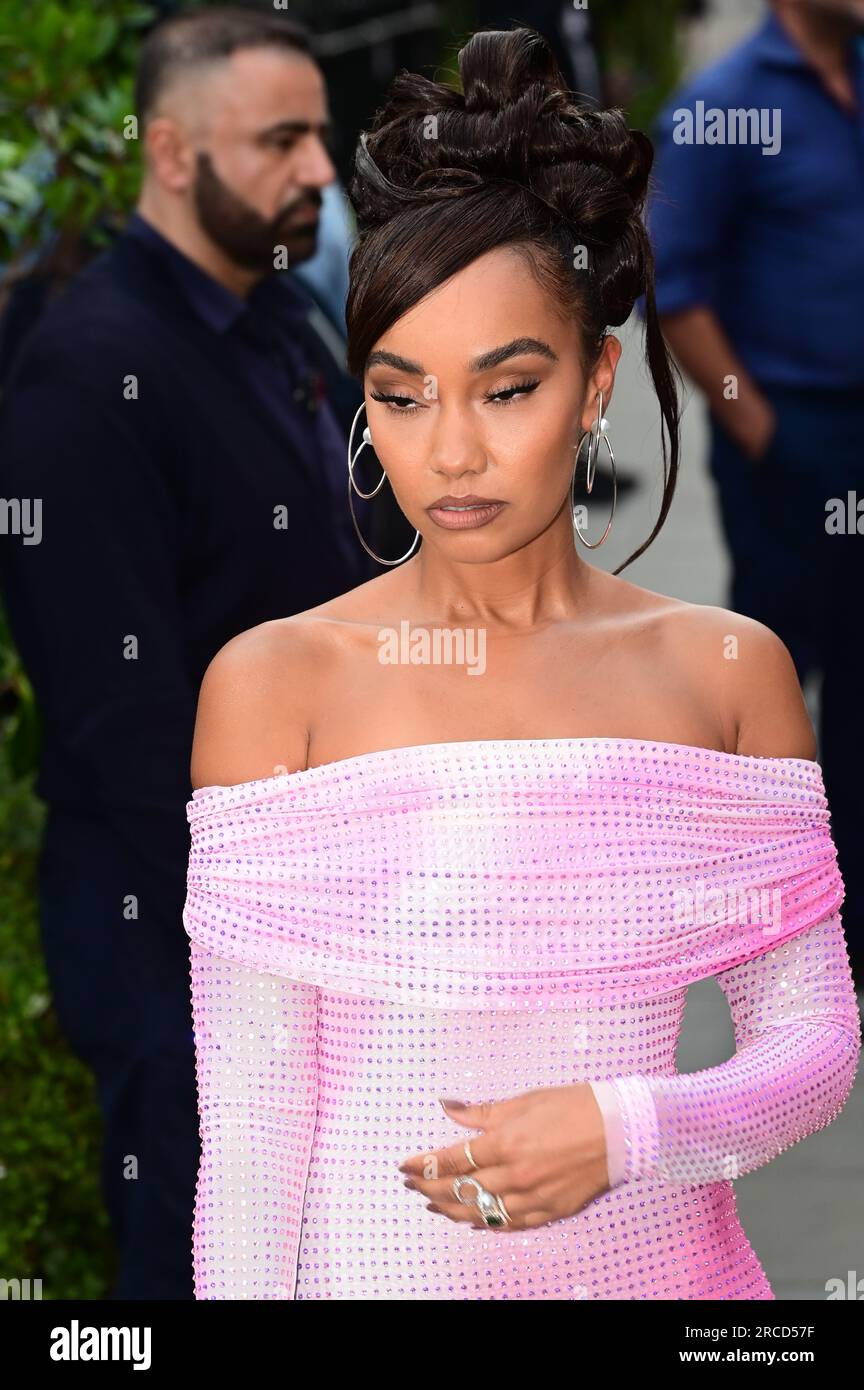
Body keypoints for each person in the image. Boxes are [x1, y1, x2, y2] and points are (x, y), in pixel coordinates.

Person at [181, 26, 861, 1300]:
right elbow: (253, 1146)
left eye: (507, 388)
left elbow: (815, 1046)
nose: (450, 453)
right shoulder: (275, 687)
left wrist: (628, 1125)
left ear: (597, 381)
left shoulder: (724, 673)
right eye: (401, 392)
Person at [0, 6, 371, 1299]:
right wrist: (293, 913)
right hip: (183, 929)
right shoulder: (86, 377)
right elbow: (122, 727)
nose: (321, 170)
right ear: (169, 148)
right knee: (205, 1257)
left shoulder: (266, 312)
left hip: (318, 898)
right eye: (282, 139)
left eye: (319, 133)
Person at [646, 0, 864, 982]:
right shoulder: (719, 109)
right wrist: (760, 428)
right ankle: (748, 924)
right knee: (773, 682)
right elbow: (674, 284)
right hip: (794, 439)